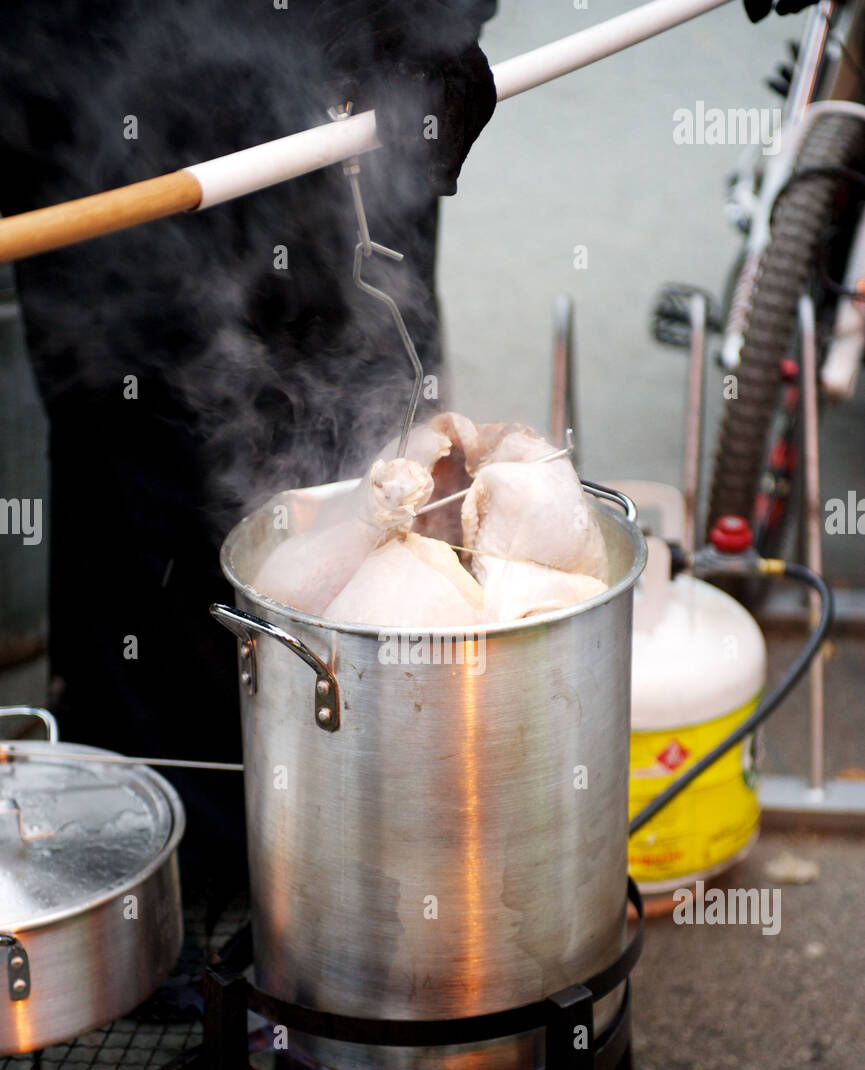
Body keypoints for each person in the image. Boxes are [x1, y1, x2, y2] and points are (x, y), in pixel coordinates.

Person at [0, 1, 497, 912]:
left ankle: (370, 846)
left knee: (365, 462)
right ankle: (165, 865)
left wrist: (421, 20)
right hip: (83, 85)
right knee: (133, 453)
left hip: (332, 86)